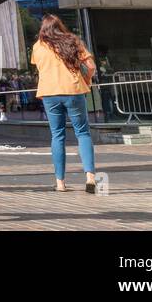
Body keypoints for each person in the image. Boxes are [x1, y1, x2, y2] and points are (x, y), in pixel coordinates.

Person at [30, 15, 97, 194]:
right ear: (60, 26)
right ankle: (90, 176)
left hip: (49, 93)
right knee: (82, 132)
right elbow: (90, 66)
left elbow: (39, 68)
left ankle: (60, 182)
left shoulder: (38, 46)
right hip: (74, 90)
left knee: (57, 135)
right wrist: (86, 79)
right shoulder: (73, 41)